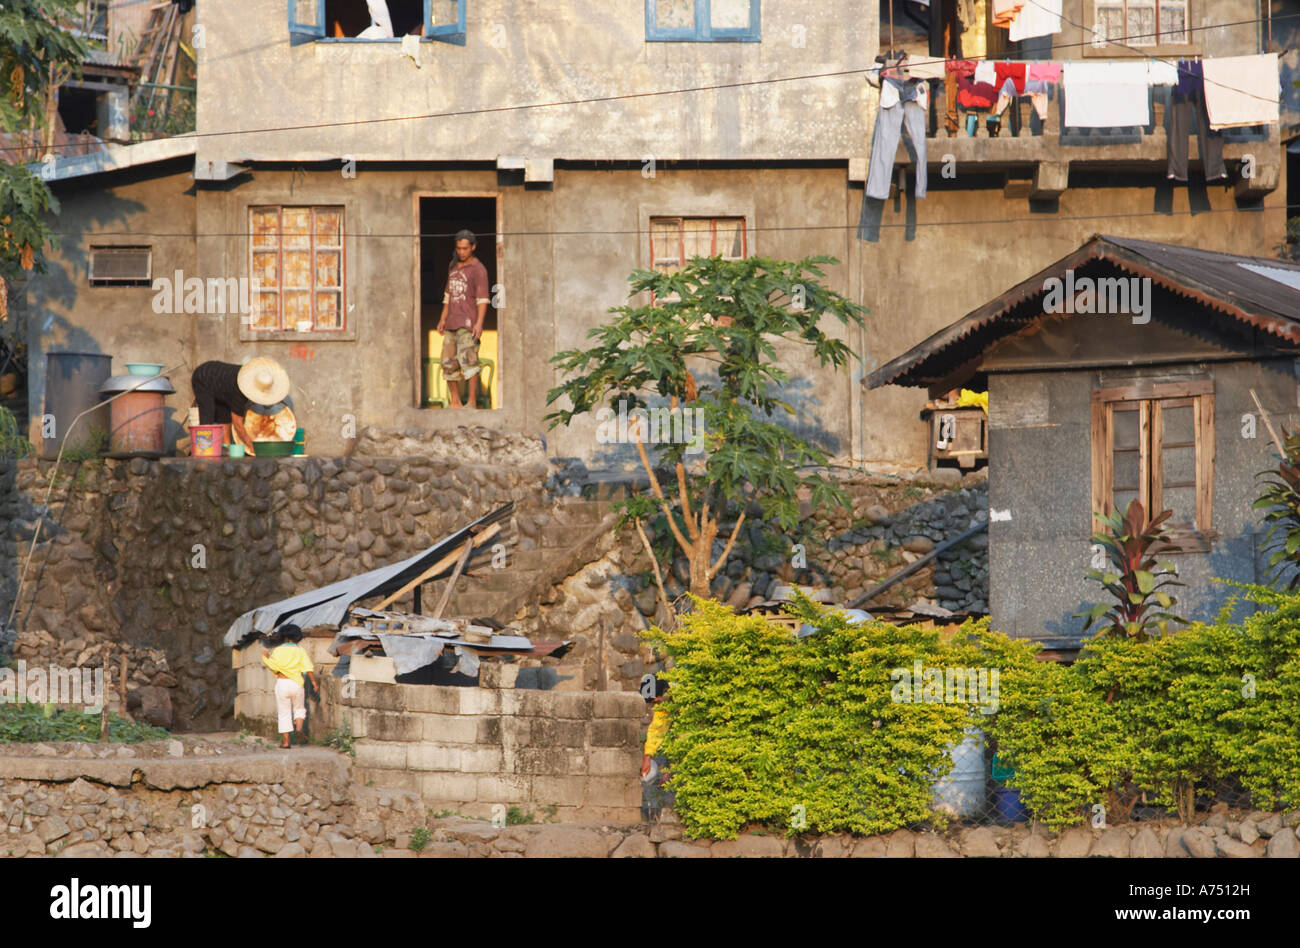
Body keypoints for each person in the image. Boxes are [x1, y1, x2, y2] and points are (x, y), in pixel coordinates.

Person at [436, 229, 490, 409]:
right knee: (448, 362)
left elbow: (483, 299)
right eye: (459, 248)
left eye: (465, 248)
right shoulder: (453, 267)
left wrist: (479, 323)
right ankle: (455, 401)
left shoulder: (478, 269)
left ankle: (472, 402)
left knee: (469, 361)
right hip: (452, 321)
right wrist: (443, 319)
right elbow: (447, 296)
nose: (461, 252)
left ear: (473, 247)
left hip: (468, 323)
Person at [190, 357, 291, 447]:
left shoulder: (249, 378)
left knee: (224, 415)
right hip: (203, 377)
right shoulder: (239, 391)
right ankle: (202, 450)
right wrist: (251, 445)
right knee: (207, 416)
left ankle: (227, 446)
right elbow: (237, 424)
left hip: (222, 385)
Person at [261, 623, 319, 748]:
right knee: (299, 709)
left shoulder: (278, 650)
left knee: (284, 712)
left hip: (282, 683)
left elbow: (274, 666)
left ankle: (286, 742)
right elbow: (308, 667)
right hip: (297, 684)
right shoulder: (300, 651)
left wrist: (266, 658)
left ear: (284, 637)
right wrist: (314, 682)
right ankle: (299, 729)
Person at [640, 676, 674, 822]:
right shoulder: (663, 709)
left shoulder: (685, 700)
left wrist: (673, 770)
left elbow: (685, 738)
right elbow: (656, 730)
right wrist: (647, 757)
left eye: (655, 702)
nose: (654, 707)